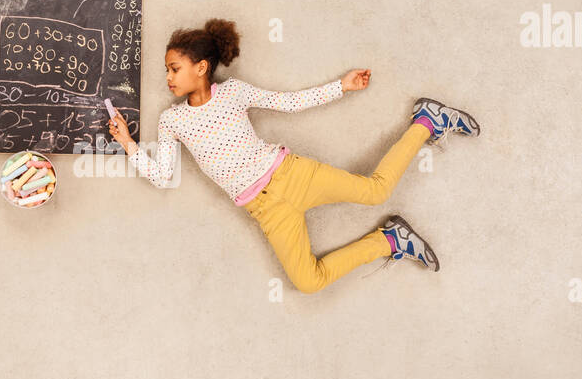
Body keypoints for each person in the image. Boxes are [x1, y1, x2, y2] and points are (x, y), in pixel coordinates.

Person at [107, 19, 481, 294]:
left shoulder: (233, 92)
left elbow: (287, 103)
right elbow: (160, 175)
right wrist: (127, 142)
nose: (168, 78)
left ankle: (428, 122)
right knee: (308, 282)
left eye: (174, 69)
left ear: (201, 68)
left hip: (290, 175)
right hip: (266, 211)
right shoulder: (172, 120)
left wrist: (342, 86)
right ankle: (391, 241)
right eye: (168, 71)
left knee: (375, 192)